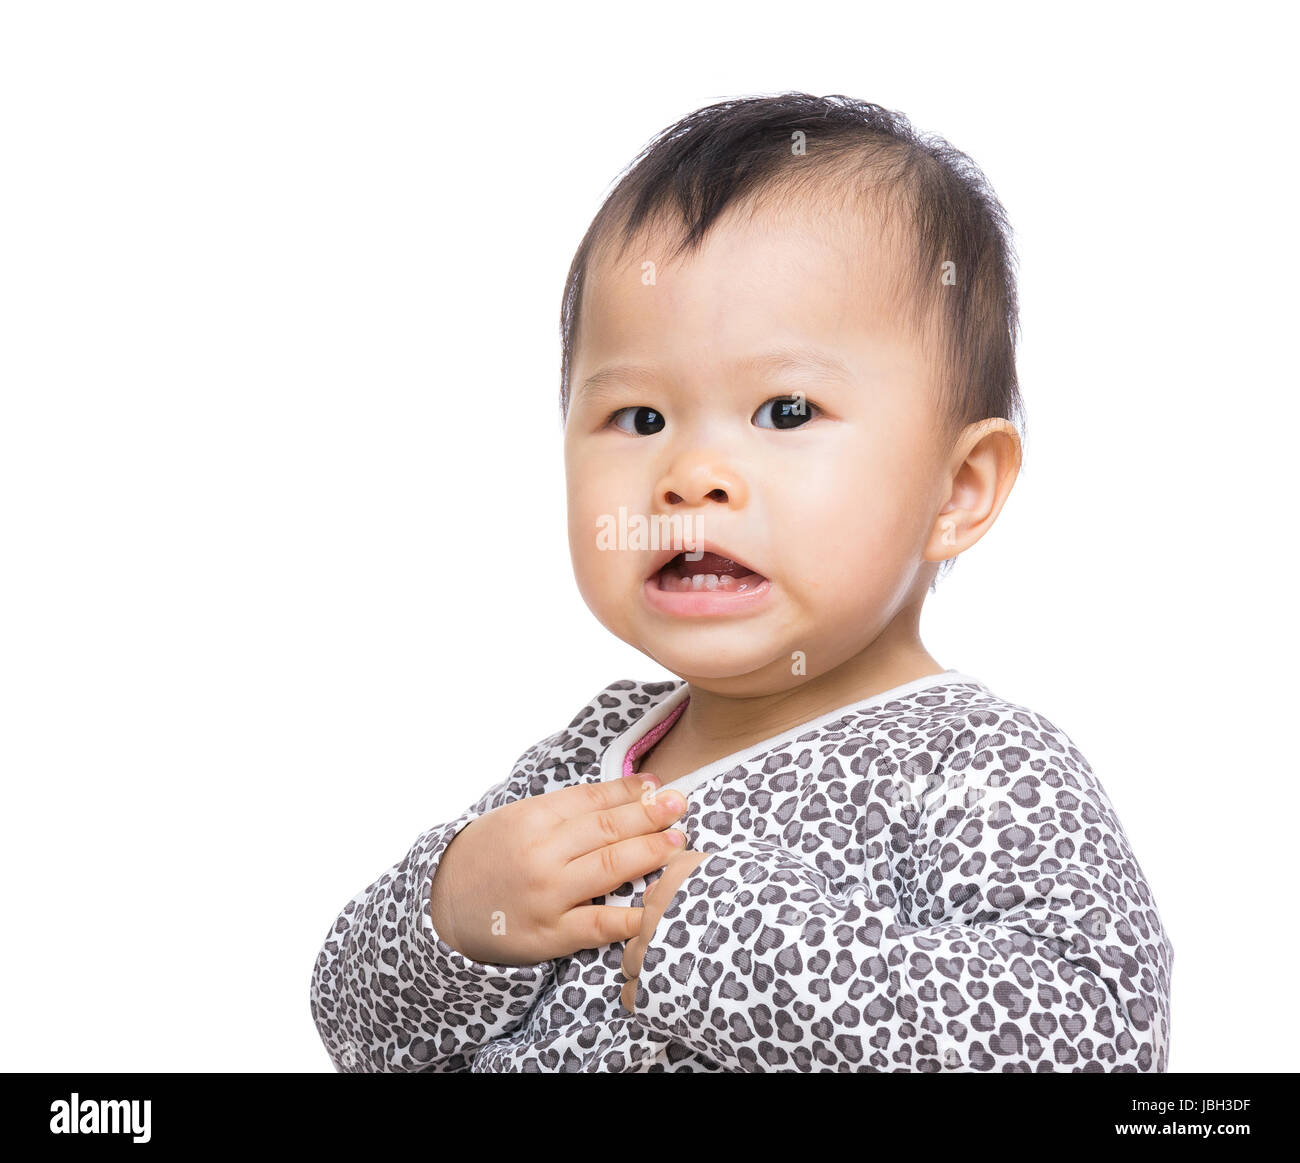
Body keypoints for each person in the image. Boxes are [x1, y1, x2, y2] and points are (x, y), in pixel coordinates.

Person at [309, 92, 1173, 1072]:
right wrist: (454, 910)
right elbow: (356, 1029)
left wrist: (734, 946)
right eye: (638, 418)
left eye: (786, 408)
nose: (690, 474)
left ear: (958, 486)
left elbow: (1094, 1039)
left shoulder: (975, 767)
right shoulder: (590, 753)